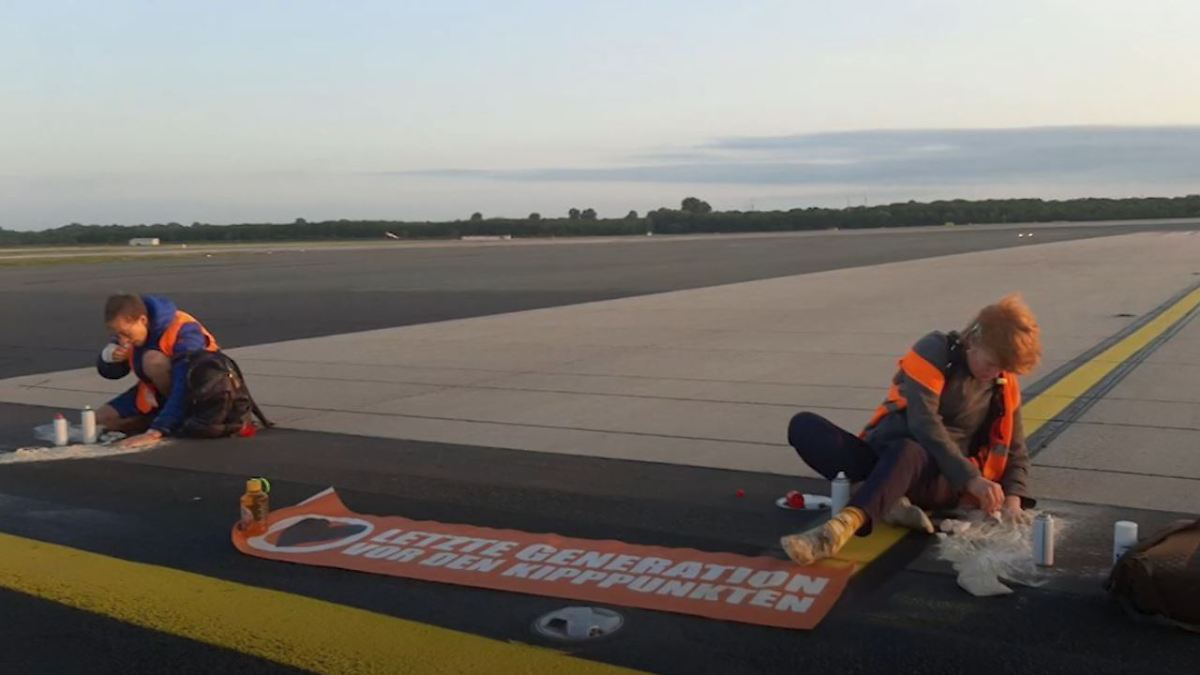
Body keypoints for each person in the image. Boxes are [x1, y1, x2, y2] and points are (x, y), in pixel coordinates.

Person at [781, 293, 1042, 565]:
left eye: (1002, 368)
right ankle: (888, 500)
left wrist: (1012, 498)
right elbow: (924, 422)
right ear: (974, 339)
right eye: (991, 363)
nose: (995, 372)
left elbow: (1015, 448)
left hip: (938, 477)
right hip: (885, 456)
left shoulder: (1002, 384)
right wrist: (972, 478)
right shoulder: (935, 351)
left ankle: (838, 529)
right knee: (804, 426)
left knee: (908, 450)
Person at [95, 294, 220, 449]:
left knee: (153, 360)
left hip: (200, 393)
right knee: (98, 420)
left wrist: (158, 430)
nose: (123, 341)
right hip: (153, 391)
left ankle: (173, 419)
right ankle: (153, 418)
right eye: (117, 335)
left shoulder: (184, 330)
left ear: (142, 320)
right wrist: (109, 358)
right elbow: (111, 373)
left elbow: (184, 383)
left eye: (126, 334)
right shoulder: (132, 330)